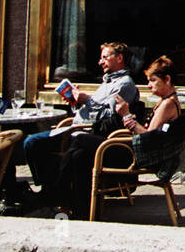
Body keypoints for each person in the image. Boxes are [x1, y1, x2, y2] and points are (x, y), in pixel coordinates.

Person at [50, 55, 185, 215]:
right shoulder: (167, 101)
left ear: (167, 79)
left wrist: (126, 115)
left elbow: (149, 139)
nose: (149, 85)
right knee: (80, 155)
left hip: (139, 155)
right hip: (138, 150)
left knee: (80, 139)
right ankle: (82, 210)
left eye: (153, 80)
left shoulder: (168, 104)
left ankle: (56, 194)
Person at [22, 41, 139, 196]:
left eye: (104, 58)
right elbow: (93, 110)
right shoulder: (107, 81)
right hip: (76, 128)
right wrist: (76, 103)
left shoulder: (124, 84)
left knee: (34, 143)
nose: (100, 62)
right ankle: (48, 188)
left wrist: (87, 101)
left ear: (119, 58)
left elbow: (110, 116)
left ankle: (50, 192)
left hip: (88, 133)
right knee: (30, 142)